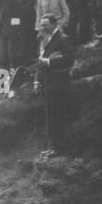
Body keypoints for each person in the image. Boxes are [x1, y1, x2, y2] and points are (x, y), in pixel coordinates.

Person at [33, 14, 75, 155]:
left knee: (56, 116)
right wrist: (38, 80)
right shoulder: (46, 40)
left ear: (54, 24)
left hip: (59, 84)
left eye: (45, 25)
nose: (42, 27)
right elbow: (41, 61)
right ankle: (52, 147)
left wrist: (50, 62)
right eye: (42, 24)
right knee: (50, 116)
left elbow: (69, 60)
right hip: (49, 83)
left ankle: (58, 148)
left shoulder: (63, 39)